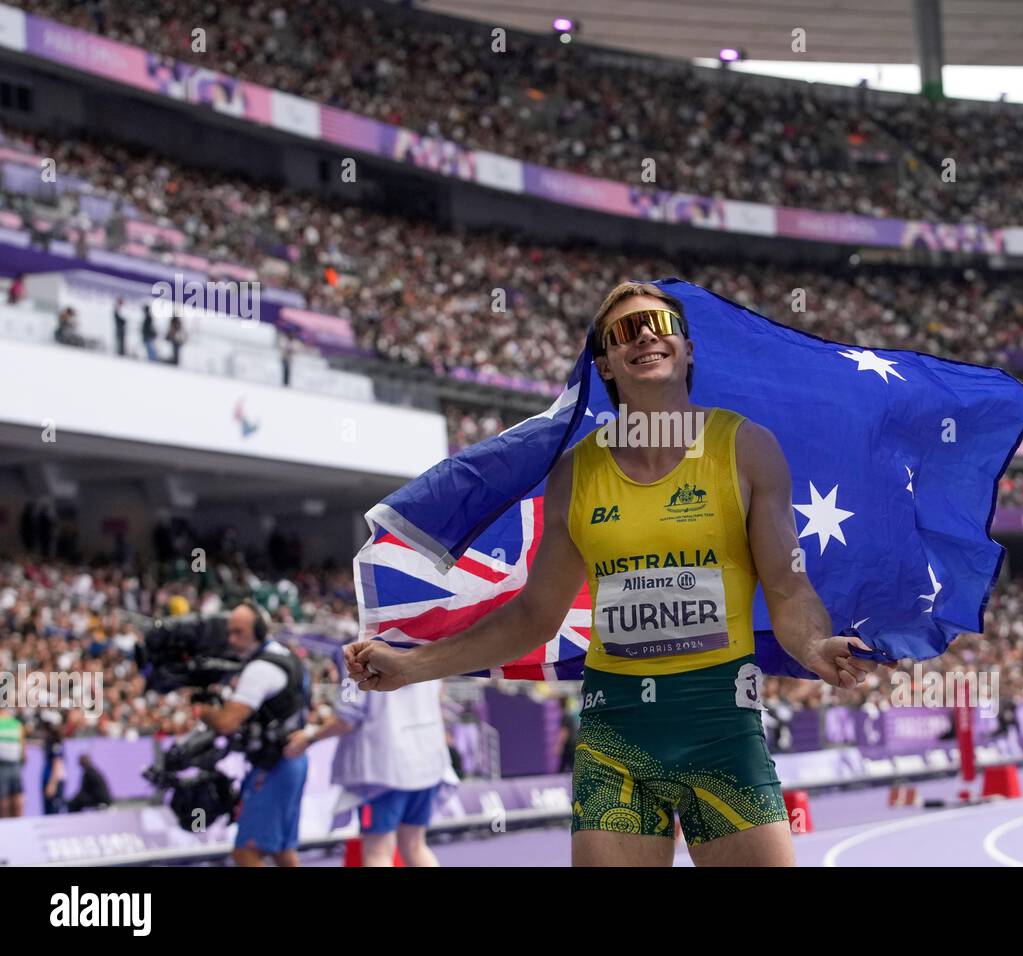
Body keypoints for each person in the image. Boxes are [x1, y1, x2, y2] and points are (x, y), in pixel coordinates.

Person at [348, 281, 876, 867]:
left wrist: (813, 644)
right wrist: (412, 667)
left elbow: (787, 583)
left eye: (658, 323)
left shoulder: (746, 448)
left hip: (721, 727)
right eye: (624, 331)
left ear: (687, 348)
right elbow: (534, 615)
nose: (645, 334)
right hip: (615, 734)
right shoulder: (576, 473)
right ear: (605, 363)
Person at [284, 675, 457, 867]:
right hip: (426, 763)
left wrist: (309, 737)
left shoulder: (358, 653)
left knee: (378, 851)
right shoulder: (425, 646)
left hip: (382, 771)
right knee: (415, 846)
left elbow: (346, 718)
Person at [194, 604, 310, 867]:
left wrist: (203, 711)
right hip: (293, 760)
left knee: (246, 853)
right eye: (230, 632)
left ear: (258, 631)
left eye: (239, 632)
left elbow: (226, 723)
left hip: (274, 765)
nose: (232, 640)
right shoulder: (288, 657)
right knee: (283, 851)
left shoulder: (260, 669)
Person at [0, 708, 24, 818]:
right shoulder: (17, 724)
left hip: (14, 765)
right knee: (5, 801)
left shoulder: (17, 724)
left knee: (15, 800)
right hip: (5, 765)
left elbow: (23, 747)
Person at [42, 721, 66, 815]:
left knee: (53, 811)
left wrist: (52, 784)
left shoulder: (56, 746)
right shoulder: (50, 744)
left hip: (52, 781)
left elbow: (57, 765)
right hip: (48, 780)